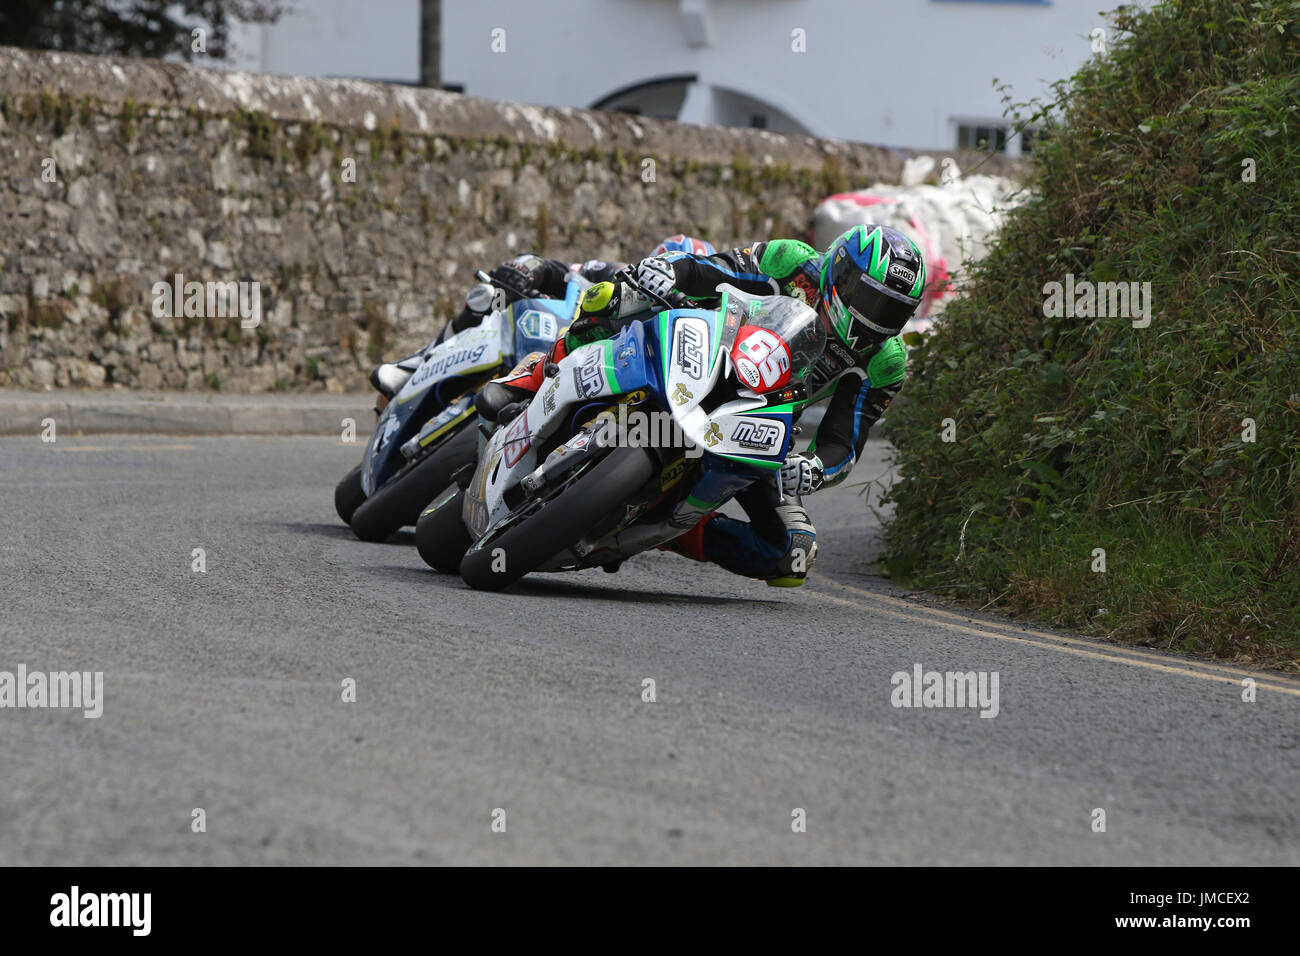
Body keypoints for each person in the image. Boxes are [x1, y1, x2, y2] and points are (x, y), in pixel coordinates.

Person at [515, 224, 924, 587]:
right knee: (617, 297)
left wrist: (815, 469)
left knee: (791, 554)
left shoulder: (885, 361)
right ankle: (531, 378)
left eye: (894, 311)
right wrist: (671, 272)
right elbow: (715, 270)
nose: (878, 319)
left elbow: (844, 440)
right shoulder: (794, 262)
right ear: (843, 276)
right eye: (872, 301)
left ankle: (668, 529)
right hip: (701, 352)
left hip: (758, 424)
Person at [368, 253, 625, 400]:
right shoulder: (620, 276)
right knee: (490, 297)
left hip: (576, 377)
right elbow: (556, 269)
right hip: (539, 335)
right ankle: (411, 367)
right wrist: (524, 269)